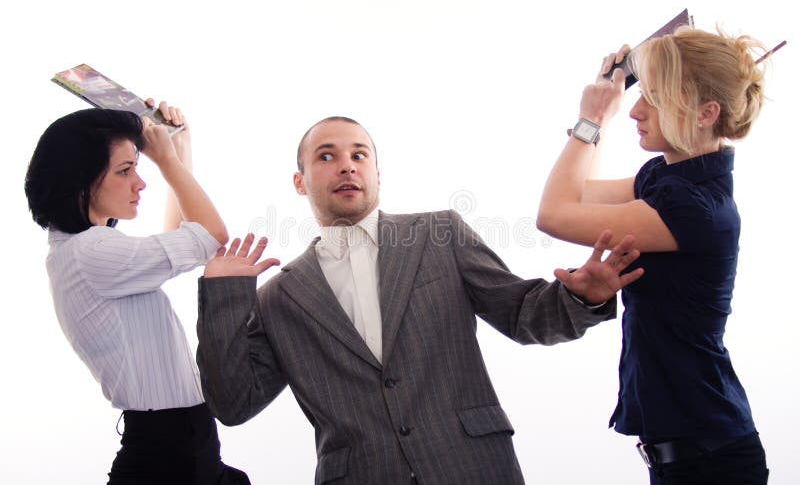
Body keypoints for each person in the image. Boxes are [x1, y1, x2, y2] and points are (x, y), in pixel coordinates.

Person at [194, 115, 644, 484]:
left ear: (376, 174)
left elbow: (524, 315)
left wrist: (579, 298)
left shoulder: (439, 234)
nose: (346, 166)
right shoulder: (280, 295)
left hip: (472, 468)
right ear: (299, 180)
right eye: (326, 156)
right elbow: (234, 404)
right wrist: (225, 296)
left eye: (359, 155)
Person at [536, 26, 770, 484]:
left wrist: (592, 118)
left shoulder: (691, 208)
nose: (636, 111)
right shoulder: (670, 180)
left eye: (655, 99)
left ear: (706, 113)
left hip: (711, 464)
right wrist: (606, 105)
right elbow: (579, 193)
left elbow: (555, 213)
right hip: (693, 455)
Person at [24, 101, 250, 485]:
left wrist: (180, 147)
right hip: (166, 458)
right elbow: (210, 236)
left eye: (138, 168)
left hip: (184, 450)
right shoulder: (91, 253)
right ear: (81, 180)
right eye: (125, 170)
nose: (140, 183)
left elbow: (177, 236)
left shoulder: (86, 249)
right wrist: (167, 163)